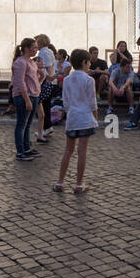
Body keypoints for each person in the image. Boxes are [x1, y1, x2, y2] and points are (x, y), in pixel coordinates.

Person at [54, 48, 98, 193]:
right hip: (84, 118)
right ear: (84, 62)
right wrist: (95, 118)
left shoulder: (66, 80)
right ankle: (79, 184)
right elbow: (92, 102)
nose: (90, 64)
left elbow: (65, 102)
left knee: (68, 150)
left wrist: (69, 112)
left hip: (72, 117)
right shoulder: (89, 80)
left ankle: (60, 182)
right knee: (82, 151)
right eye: (89, 62)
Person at [11, 38, 41, 162]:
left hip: (33, 95)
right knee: (21, 124)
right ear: (27, 48)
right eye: (34, 47)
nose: (36, 50)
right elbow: (20, 82)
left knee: (27, 124)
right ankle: (20, 151)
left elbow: (32, 77)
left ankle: (26, 148)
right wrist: (27, 99)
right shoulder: (20, 62)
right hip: (24, 96)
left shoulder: (31, 62)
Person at [35, 34, 57, 143]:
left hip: (46, 81)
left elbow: (47, 68)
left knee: (40, 104)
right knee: (45, 105)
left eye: (36, 42)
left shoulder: (43, 52)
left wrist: (46, 77)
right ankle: (46, 127)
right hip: (50, 81)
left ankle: (45, 127)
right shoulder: (49, 51)